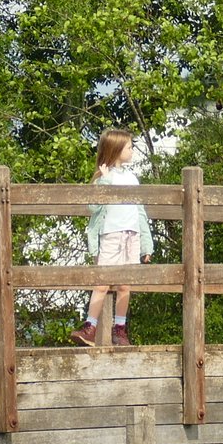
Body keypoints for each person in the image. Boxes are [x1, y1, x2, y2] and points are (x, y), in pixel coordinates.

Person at [75, 129, 150, 346]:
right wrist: (106, 182)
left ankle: (120, 329)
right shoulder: (103, 178)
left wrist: (146, 244)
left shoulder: (132, 178)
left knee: (126, 285)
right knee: (102, 283)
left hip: (132, 236)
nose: (132, 150)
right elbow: (93, 206)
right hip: (110, 235)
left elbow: (140, 211)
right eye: (129, 147)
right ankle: (90, 327)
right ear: (117, 150)